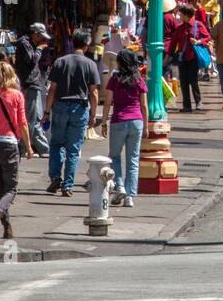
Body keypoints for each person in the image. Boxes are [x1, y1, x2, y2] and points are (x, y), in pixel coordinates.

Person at [44, 29, 101, 196]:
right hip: (79, 107)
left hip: (60, 105)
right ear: (86, 44)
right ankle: (68, 185)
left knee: (56, 144)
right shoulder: (90, 64)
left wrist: (47, 111)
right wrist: (93, 115)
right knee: (73, 149)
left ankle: (55, 176)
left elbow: (52, 90)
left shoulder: (60, 62)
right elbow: (94, 92)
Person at [0, 61, 33, 240]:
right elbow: (23, 123)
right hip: (9, 145)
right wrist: (28, 147)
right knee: (11, 188)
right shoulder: (17, 95)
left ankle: (7, 227)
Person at [101, 49, 147, 207]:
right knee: (133, 159)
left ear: (120, 63)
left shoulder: (115, 79)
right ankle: (130, 196)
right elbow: (144, 105)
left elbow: (107, 102)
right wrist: (146, 126)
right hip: (136, 121)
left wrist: (103, 122)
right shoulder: (138, 80)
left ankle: (119, 186)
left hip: (119, 120)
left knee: (114, 156)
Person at [14, 21, 51, 155]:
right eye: (41, 37)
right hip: (30, 85)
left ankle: (43, 148)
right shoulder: (25, 44)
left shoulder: (28, 44)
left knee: (36, 118)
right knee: (30, 119)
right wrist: (40, 49)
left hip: (34, 84)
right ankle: (25, 147)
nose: (42, 41)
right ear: (35, 34)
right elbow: (32, 60)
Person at [167, 3, 211, 113]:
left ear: (187, 15)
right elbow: (173, 43)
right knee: (184, 82)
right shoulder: (180, 28)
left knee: (193, 80)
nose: (179, 16)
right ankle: (187, 106)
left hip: (193, 58)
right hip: (183, 58)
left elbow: (207, 37)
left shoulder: (198, 25)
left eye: (181, 14)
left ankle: (198, 101)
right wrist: (169, 56)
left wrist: (198, 41)